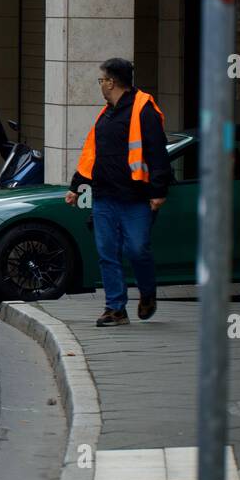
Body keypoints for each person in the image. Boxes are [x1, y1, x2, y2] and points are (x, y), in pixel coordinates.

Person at [66, 58, 170, 327]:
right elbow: (93, 154)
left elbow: (158, 151)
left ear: (111, 82)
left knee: (137, 250)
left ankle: (147, 293)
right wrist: (76, 186)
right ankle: (115, 309)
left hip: (135, 197)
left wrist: (158, 190)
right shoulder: (106, 113)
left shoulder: (143, 109)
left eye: (101, 80)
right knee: (107, 253)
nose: (100, 85)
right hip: (104, 197)